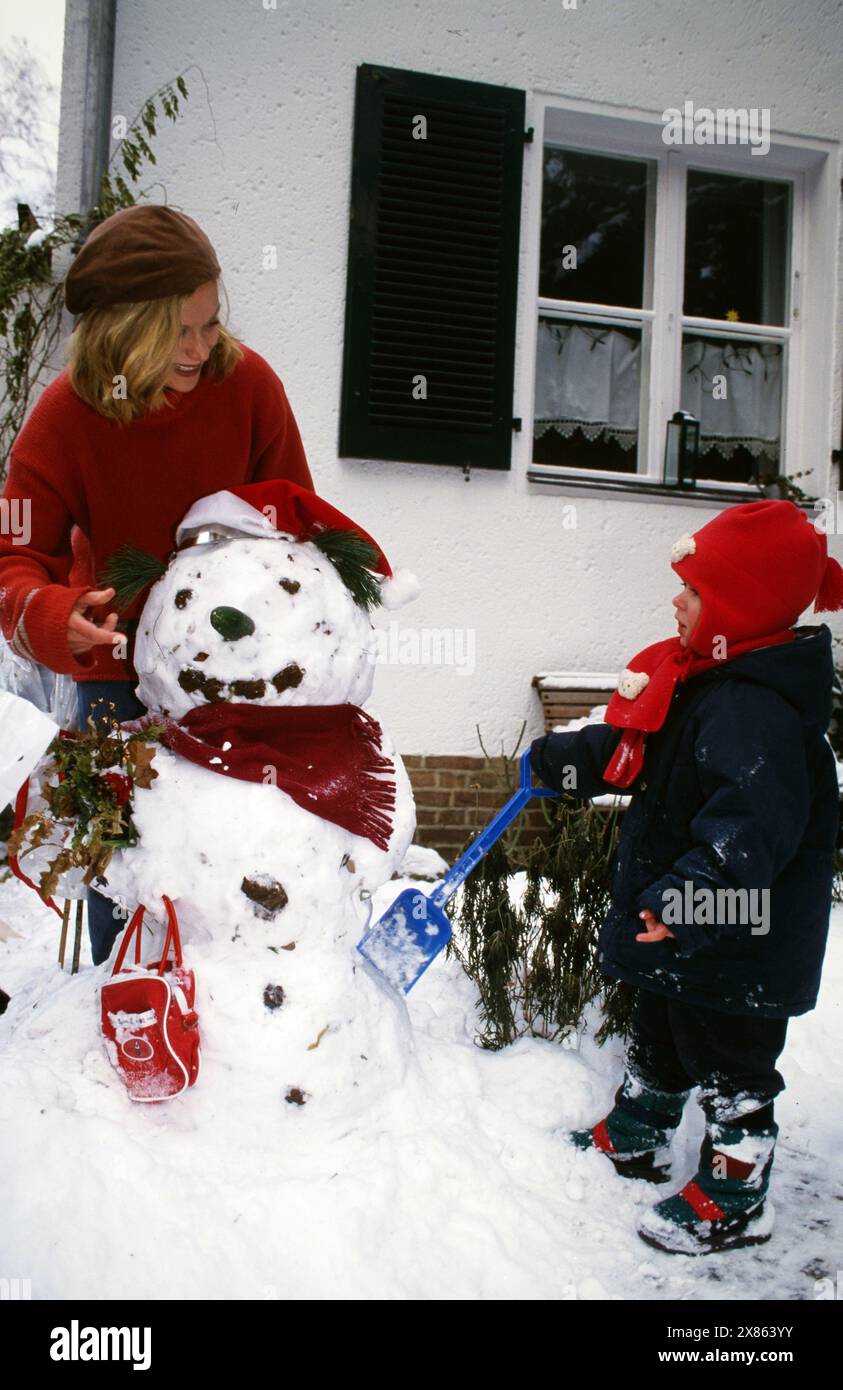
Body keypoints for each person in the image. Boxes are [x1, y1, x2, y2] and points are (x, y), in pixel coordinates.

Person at [0, 204, 314, 967]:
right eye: (181, 330)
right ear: (124, 328)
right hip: (116, 680)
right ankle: (126, 1000)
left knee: (231, 854)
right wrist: (51, 616)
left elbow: (299, 530)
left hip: (234, 681)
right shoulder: (65, 415)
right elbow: (11, 556)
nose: (203, 347)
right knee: (130, 861)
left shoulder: (249, 387)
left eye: (211, 323)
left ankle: (232, 1012)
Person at [530, 500, 843, 1255]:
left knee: (731, 1065)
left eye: (694, 591)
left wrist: (684, 903)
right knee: (662, 1030)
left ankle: (736, 1196)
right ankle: (638, 1133)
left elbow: (750, 836)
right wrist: (567, 760)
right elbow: (645, 748)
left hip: (738, 941)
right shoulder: (712, 683)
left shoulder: (753, 712)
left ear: (739, 606)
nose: (676, 601)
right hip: (690, 928)